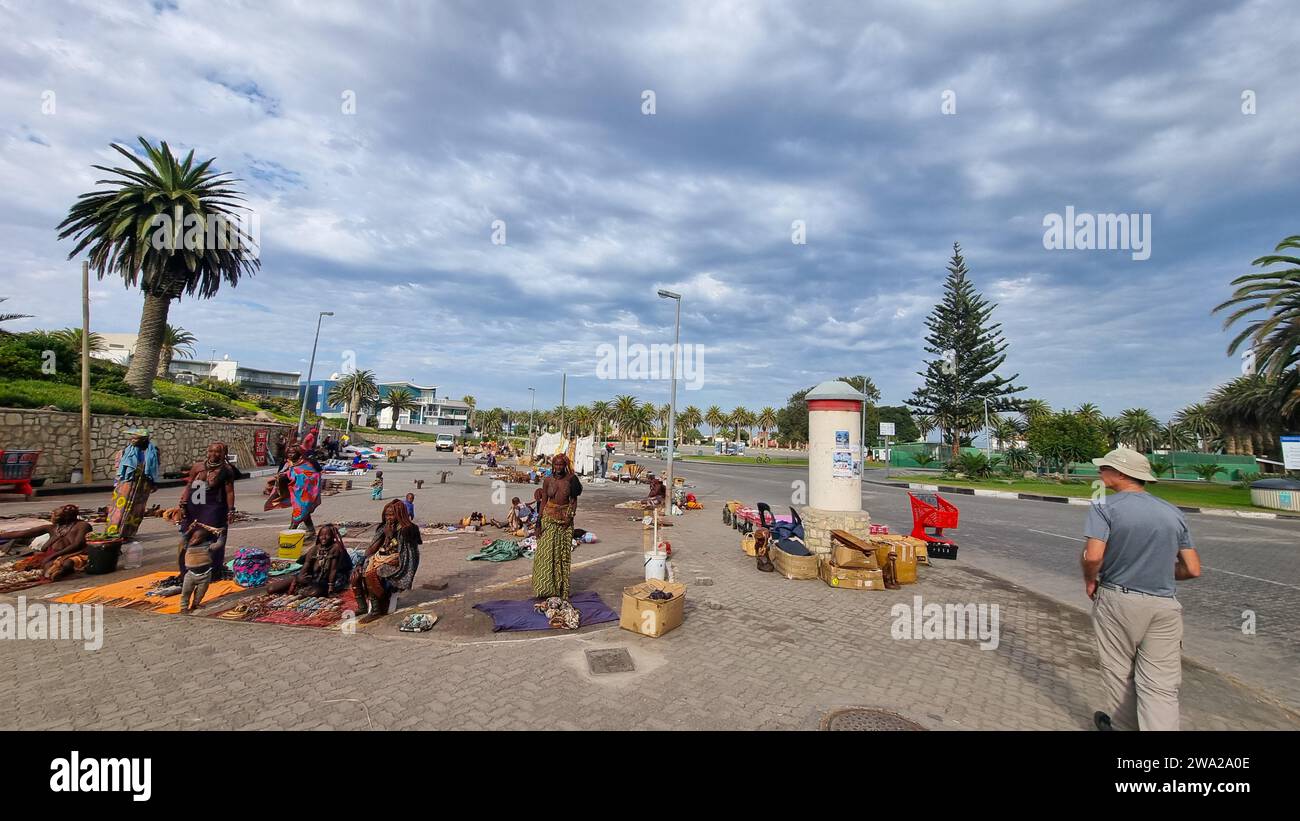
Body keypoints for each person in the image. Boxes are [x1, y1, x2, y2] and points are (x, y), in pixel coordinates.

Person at [1082, 448, 1201, 732]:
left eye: (1105, 468)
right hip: (1165, 606)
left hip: (1119, 600)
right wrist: (1158, 569)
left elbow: (1094, 556)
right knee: (1160, 684)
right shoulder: (1172, 512)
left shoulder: (1104, 507)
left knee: (1119, 671)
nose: (1100, 473)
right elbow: (1193, 568)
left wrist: (1089, 579)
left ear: (1121, 473)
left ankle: (1123, 727)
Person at [351, 499, 422, 620]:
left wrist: (390, 536)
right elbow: (373, 547)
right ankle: (362, 606)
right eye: (386, 515)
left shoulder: (408, 529)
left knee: (371, 574)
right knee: (356, 573)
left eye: (391, 515)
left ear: (400, 514)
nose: (389, 517)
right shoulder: (383, 527)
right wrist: (360, 561)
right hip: (382, 557)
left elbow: (408, 553)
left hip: (399, 562)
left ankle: (375, 610)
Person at [177, 442, 238, 579]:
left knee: (213, 537)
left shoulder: (227, 470)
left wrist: (231, 510)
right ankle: (186, 570)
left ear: (224, 454)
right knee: (188, 536)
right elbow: (189, 485)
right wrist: (183, 503)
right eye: (211, 451)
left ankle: (212, 571)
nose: (213, 454)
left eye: (217, 452)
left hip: (214, 507)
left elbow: (229, 492)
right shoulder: (198, 467)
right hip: (195, 505)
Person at [531, 454, 582, 600]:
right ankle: (545, 589)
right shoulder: (547, 480)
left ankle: (560, 589)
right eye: (556, 464)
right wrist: (538, 522)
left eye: (561, 465)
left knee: (562, 556)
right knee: (545, 555)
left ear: (565, 465)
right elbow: (544, 501)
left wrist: (569, 517)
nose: (558, 467)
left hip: (565, 520)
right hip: (549, 517)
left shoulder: (571, 480)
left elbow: (573, 501)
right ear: (553, 465)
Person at [1, 504, 93, 580]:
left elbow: (78, 544)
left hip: (73, 553)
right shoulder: (52, 528)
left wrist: (54, 555)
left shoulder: (83, 525)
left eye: (54, 515)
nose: (52, 517)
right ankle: (56, 573)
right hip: (53, 555)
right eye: (53, 514)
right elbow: (22, 533)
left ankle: (64, 570)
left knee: (68, 562)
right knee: (48, 567)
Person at [105, 427, 161, 541]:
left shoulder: (153, 452)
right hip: (126, 483)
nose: (132, 440)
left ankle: (128, 533)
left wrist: (154, 483)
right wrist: (117, 483)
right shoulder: (125, 452)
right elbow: (119, 468)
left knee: (137, 509)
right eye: (132, 438)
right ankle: (113, 532)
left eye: (135, 438)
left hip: (143, 485)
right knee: (119, 508)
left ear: (144, 439)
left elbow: (155, 467)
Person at [267, 524, 352, 596]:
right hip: (311, 577)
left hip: (328, 581)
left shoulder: (336, 548)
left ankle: (303, 591)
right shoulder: (314, 549)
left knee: (315, 592)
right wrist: (300, 578)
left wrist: (331, 588)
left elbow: (333, 570)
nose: (324, 537)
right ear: (318, 536)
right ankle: (302, 588)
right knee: (271, 589)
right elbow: (306, 566)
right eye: (322, 535)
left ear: (332, 537)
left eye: (327, 535)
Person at [265, 444, 322, 541]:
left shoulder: (308, 463)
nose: (290, 455)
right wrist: (280, 478)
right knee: (304, 512)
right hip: (295, 492)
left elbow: (315, 475)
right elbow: (281, 474)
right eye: (289, 453)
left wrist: (294, 476)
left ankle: (289, 534)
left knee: (299, 512)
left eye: (293, 453)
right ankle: (311, 531)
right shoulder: (286, 464)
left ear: (299, 453)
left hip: (306, 492)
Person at [179, 526, 216, 613]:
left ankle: (195, 604)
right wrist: (190, 529)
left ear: (203, 539)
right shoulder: (187, 545)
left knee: (200, 593)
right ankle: (184, 607)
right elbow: (184, 537)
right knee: (186, 592)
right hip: (190, 575)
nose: (193, 539)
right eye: (193, 537)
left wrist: (220, 534)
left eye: (197, 538)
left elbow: (219, 544)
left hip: (205, 575)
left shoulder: (208, 545)